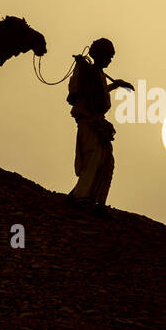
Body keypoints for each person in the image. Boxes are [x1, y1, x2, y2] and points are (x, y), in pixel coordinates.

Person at [65, 38, 132, 215]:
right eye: (108, 56)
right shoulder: (87, 71)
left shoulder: (97, 74)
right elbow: (75, 95)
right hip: (89, 121)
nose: (110, 60)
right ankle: (81, 197)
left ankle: (93, 198)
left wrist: (115, 85)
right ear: (100, 55)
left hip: (97, 122)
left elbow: (99, 94)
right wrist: (82, 70)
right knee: (93, 158)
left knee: (106, 161)